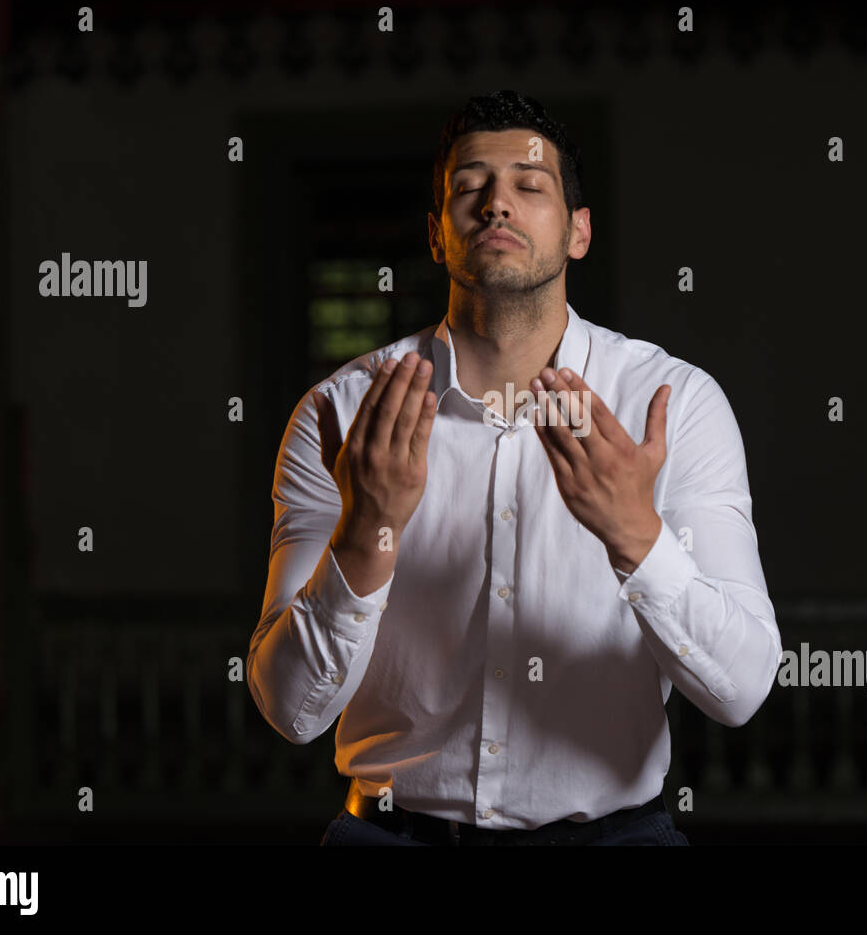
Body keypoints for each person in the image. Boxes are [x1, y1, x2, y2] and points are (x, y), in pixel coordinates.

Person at [247, 90, 781, 846]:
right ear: (437, 234)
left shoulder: (674, 404)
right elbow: (291, 710)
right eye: (470, 186)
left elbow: (743, 687)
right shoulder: (340, 413)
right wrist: (368, 530)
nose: (497, 202)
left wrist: (636, 534)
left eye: (530, 186)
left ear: (578, 232)